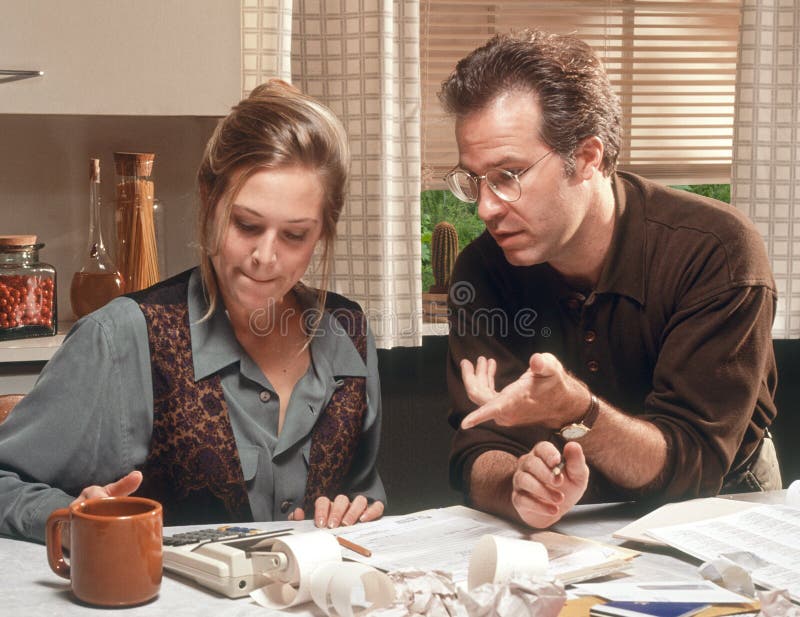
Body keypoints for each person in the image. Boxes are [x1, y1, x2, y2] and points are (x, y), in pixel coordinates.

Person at [0, 80, 385, 542]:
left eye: (294, 235)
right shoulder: (122, 337)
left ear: (324, 229)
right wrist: (70, 517)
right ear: (208, 199)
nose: (265, 256)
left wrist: (356, 510)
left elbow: (366, 493)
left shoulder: (348, 332)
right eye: (246, 224)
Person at [440, 30, 781, 529]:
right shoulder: (481, 269)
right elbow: (478, 445)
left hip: (721, 500)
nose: (487, 208)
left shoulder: (718, 251)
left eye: (508, 175)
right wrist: (518, 487)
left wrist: (573, 409)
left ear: (585, 158)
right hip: (569, 516)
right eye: (475, 181)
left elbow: (696, 467)